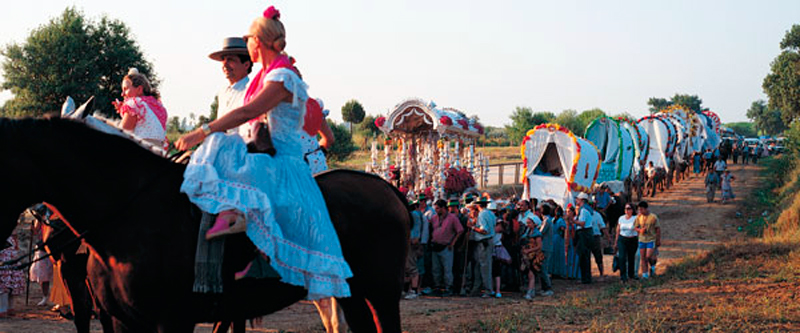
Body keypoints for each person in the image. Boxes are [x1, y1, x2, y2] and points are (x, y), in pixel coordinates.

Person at [175, 6, 352, 300]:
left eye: (248, 40)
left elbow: (249, 111)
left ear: (259, 42)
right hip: (263, 156)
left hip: (282, 162)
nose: (246, 46)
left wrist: (201, 132)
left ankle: (256, 263)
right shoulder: (265, 77)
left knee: (218, 150)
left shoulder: (283, 77)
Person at [112, 68, 168, 147]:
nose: (122, 94)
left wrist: (127, 110)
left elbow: (123, 134)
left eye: (125, 89)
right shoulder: (158, 106)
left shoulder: (134, 104)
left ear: (139, 89)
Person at [209, 37, 252, 136]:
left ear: (246, 65)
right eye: (223, 60)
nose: (225, 64)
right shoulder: (223, 93)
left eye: (230, 60)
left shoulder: (250, 90)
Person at [430, 199, 464, 296]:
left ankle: (449, 288)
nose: (436, 210)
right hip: (435, 246)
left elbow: (460, 231)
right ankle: (437, 287)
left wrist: (453, 243)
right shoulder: (434, 218)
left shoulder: (452, 218)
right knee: (436, 269)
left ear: (443, 208)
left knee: (447, 270)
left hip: (446, 247)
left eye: (437, 208)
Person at [466, 198, 495, 297]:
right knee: (482, 266)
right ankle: (480, 288)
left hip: (484, 241)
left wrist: (473, 227)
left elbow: (484, 230)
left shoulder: (482, 214)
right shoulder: (490, 213)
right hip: (488, 241)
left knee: (485, 267)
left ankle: (488, 290)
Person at [301, 98, 335, 173]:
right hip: (317, 166)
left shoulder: (274, 108)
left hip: (290, 167)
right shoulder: (312, 106)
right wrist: (313, 151)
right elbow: (329, 139)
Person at [29, 207, 53, 307]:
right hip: (43, 246)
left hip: (55, 245)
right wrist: (33, 227)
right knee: (43, 274)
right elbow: (35, 231)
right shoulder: (41, 215)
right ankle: (45, 297)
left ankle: (60, 299)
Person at [0, 235, 25, 317]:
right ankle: (9, 307)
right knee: (10, 282)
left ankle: (3, 309)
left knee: (4, 284)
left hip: (5, 254)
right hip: (10, 252)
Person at [634, 201, 660, 279]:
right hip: (642, 239)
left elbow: (658, 229)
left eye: (641, 209)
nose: (640, 211)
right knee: (643, 257)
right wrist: (640, 230)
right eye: (639, 210)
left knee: (648, 256)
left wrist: (658, 240)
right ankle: (645, 274)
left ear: (646, 209)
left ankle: (652, 266)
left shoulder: (653, 217)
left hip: (651, 239)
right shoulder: (638, 217)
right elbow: (635, 227)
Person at [574, 193, 595, 284]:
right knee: (586, 256)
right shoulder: (588, 209)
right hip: (588, 233)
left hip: (584, 233)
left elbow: (582, 223)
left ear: (582, 200)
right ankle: (586, 277)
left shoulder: (583, 210)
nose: (576, 201)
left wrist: (572, 221)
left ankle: (585, 278)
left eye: (578, 199)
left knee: (583, 256)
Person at [614, 203, 638, 283]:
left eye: (628, 209)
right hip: (622, 239)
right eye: (625, 209)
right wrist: (616, 241)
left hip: (632, 239)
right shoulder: (621, 218)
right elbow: (618, 229)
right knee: (622, 257)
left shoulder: (636, 218)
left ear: (632, 210)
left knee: (631, 257)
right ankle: (623, 276)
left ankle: (631, 274)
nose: (627, 211)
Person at [404, 201, 424, 300]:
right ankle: (410, 289)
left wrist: (415, 238)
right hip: (408, 241)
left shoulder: (414, 215)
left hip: (411, 242)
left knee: (412, 267)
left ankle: (414, 290)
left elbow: (415, 228)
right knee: (408, 267)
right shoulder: (411, 214)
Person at [536, 204, 554, 296]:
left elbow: (540, 232)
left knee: (543, 268)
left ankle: (548, 287)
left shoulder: (546, 221)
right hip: (547, 246)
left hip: (545, 247)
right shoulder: (547, 220)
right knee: (542, 268)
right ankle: (544, 288)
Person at [549, 206, 567, 278]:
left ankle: (553, 271)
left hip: (553, 237)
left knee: (553, 255)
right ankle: (558, 271)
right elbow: (562, 229)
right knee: (559, 255)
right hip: (558, 238)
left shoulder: (553, 220)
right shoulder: (561, 220)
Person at [589, 203, 607, 278]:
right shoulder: (581, 214)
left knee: (598, 256)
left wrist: (607, 237)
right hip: (587, 237)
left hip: (595, 236)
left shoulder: (597, 215)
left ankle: (601, 273)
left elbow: (602, 226)